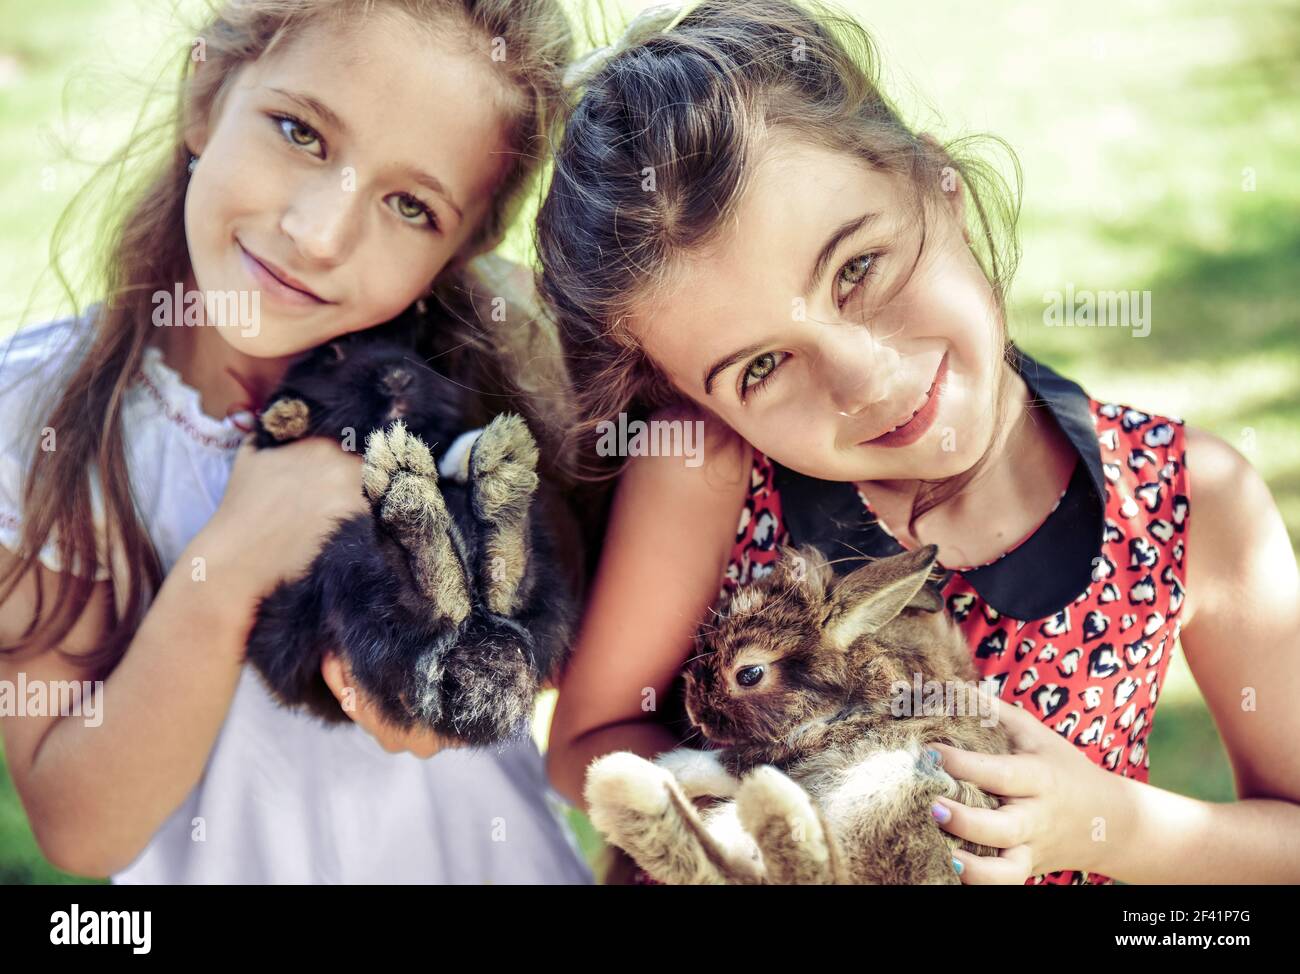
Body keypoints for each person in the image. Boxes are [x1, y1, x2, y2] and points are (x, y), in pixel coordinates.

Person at [537, 0, 1300, 884]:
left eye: (857, 268)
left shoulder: (1189, 500)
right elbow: (591, 741)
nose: (864, 379)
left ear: (942, 183)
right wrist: (783, 828)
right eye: (761, 368)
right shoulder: (708, 470)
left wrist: (1110, 828)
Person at [0, 0, 591, 884]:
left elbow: (555, 678)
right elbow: (82, 831)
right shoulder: (41, 415)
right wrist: (231, 564)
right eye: (299, 132)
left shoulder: (490, 409)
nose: (318, 234)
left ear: (466, 247)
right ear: (206, 97)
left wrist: (455, 676)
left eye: (409, 205)